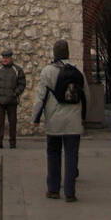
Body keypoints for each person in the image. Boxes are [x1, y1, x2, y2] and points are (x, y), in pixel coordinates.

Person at [31, 40, 86, 201]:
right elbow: (86, 96)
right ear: (68, 53)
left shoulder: (47, 71)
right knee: (71, 155)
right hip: (73, 121)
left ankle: (54, 189)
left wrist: (35, 117)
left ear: (54, 53)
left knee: (53, 154)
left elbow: (40, 97)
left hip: (54, 120)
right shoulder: (77, 71)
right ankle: (70, 192)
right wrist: (83, 117)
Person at [0, 48, 25, 150]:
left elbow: (22, 84)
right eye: (3, 58)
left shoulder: (17, 70)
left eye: (7, 58)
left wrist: (15, 93)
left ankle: (12, 142)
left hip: (12, 101)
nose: (5, 60)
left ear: (10, 58)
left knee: (12, 122)